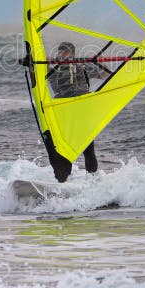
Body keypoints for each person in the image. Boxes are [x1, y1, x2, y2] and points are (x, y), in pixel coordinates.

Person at [44, 41, 104, 182]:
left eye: (65, 52)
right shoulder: (54, 70)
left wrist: (99, 62)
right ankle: (63, 183)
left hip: (82, 111)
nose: (62, 54)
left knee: (89, 150)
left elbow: (105, 75)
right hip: (64, 112)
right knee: (64, 150)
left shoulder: (83, 67)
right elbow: (40, 68)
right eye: (60, 52)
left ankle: (92, 181)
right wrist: (35, 60)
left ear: (72, 54)